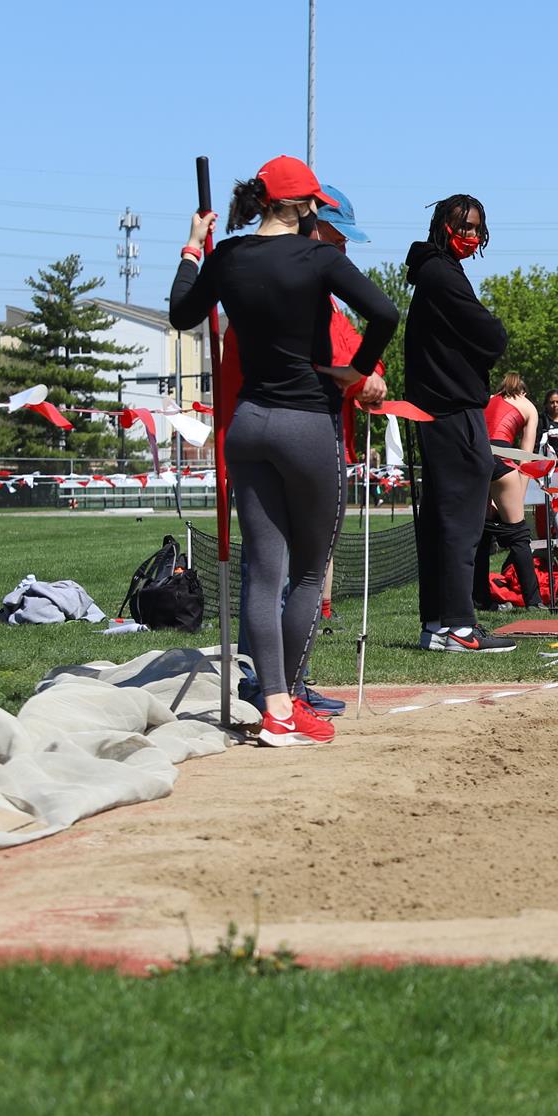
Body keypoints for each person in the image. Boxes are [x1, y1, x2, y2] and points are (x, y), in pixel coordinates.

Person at [169, 155, 397, 747]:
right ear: (300, 206)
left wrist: (193, 248)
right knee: (305, 572)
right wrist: (356, 371)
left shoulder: (227, 256)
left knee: (262, 575)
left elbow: (181, 314)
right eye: (316, 204)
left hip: (248, 425)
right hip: (307, 426)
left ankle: (271, 708)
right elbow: (386, 312)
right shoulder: (318, 256)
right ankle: (291, 700)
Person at [215, 182, 389, 715]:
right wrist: (366, 375)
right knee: (294, 572)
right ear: (310, 219)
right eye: (337, 239)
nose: (342, 253)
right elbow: (356, 362)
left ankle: (278, 688)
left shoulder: (261, 272)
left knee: (277, 570)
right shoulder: (303, 286)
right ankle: (280, 690)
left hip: (259, 429)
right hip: (299, 435)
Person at [404, 193, 514, 653]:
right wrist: (480, 350)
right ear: (441, 226)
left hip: (444, 410)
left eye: (475, 228)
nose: (469, 236)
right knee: (460, 521)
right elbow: (493, 335)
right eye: (461, 226)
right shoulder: (440, 273)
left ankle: (438, 624)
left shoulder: (439, 271)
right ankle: (456, 627)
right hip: (451, 412)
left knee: (444, 519)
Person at [479, 372, 543, 609]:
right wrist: (519, 494)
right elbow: (525, 458)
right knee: (518, 535)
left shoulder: (490, 398)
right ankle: (533, 601)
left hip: (475, 458)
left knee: (482, 531)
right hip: (502, 461)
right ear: (523, 391)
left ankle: (480, 598)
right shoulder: (529, 407)